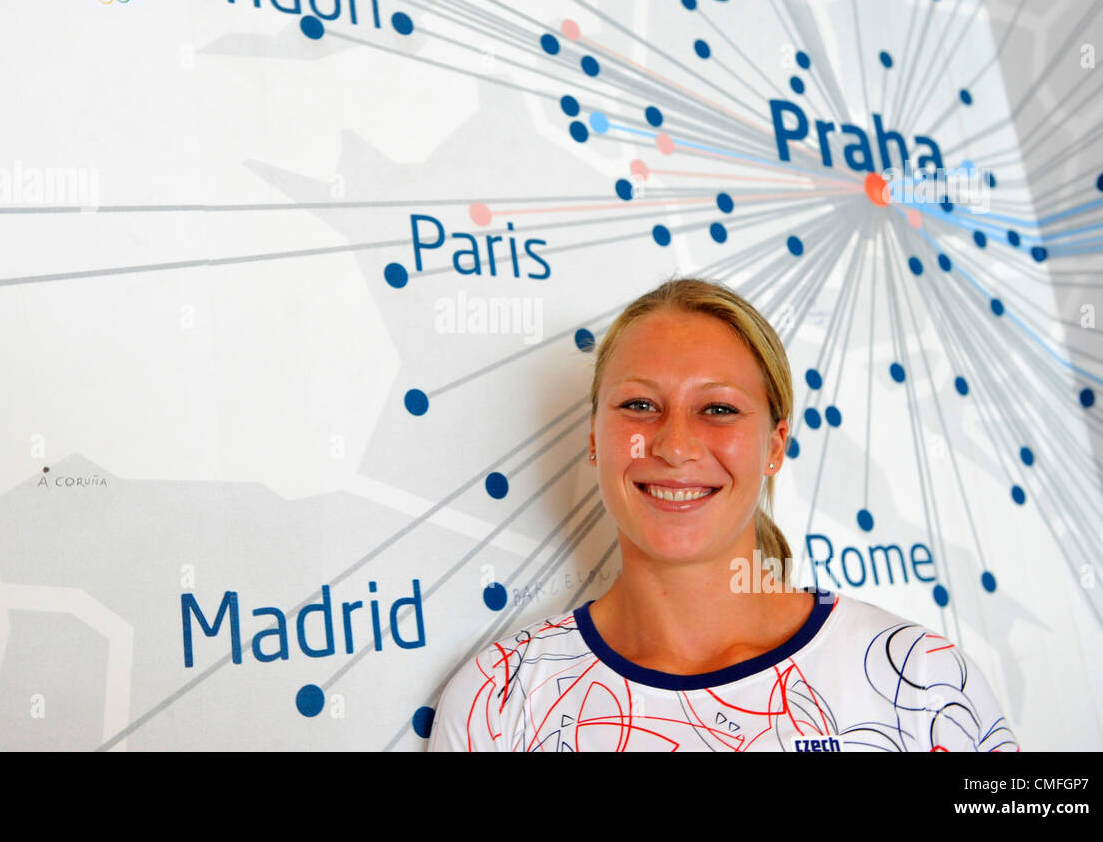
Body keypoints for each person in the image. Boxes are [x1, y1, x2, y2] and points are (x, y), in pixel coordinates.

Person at [428, 275, 1018, 752]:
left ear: (775, 445)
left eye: (717, 408)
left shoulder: (919, 683)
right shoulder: (499, 704)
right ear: (593, 438)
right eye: (639, 405)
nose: (675, 445)